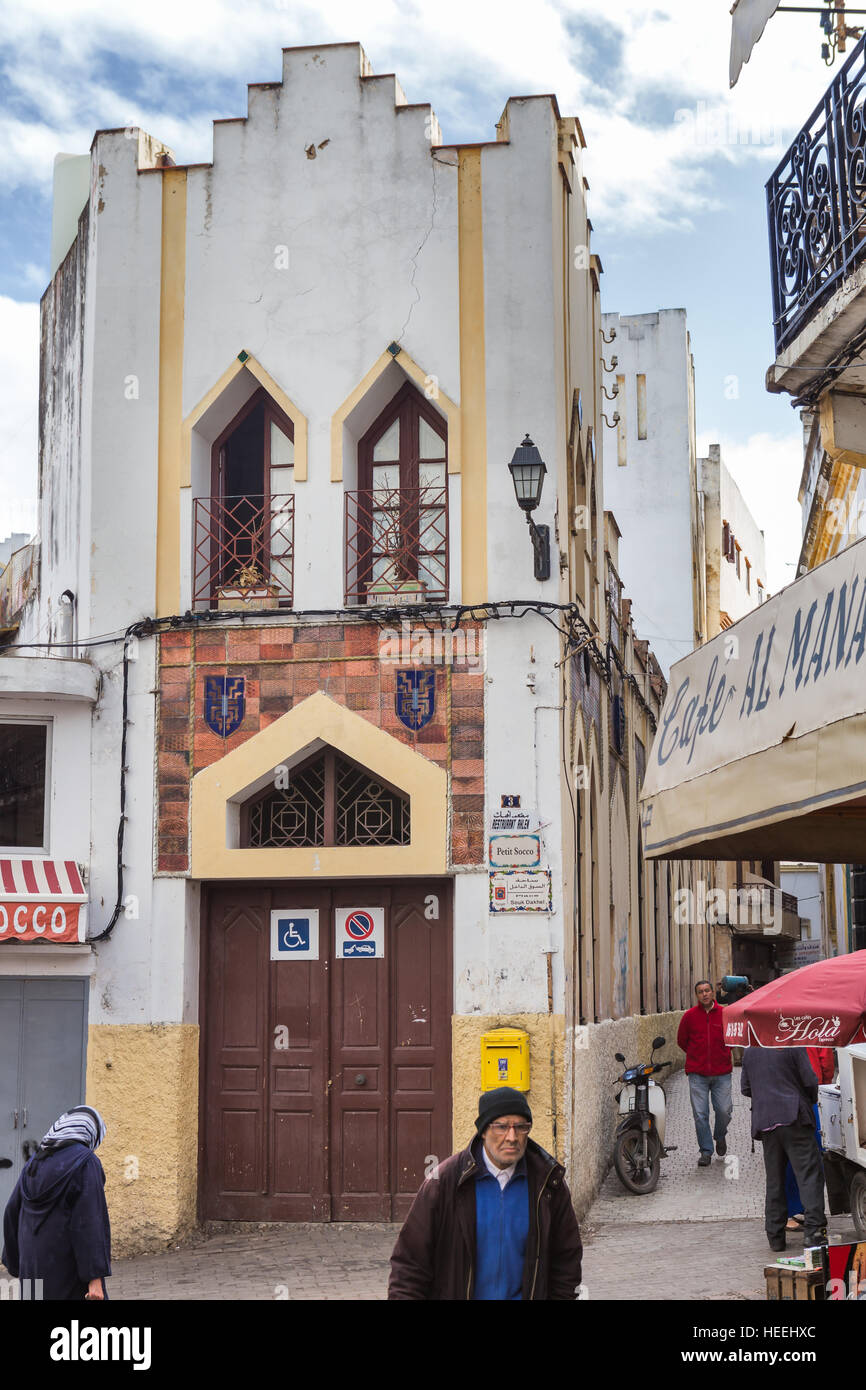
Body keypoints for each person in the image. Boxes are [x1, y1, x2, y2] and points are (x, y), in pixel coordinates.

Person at [388, 1087, 582, 1300]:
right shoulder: (445, 1182)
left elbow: (566, 1261)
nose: (512, 1137)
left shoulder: (547, 1184)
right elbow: (409, 1264)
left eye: (521, 1127)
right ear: (483, 1130)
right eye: (501, 1127)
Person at [2, 1105, 111, 1300]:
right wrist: (95, 1278)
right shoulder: (85, 1162)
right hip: (67, 1270)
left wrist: (15, 1262)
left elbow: (12, 1211)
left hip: (31, 1270)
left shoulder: (34, 1161)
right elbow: (89, 1222)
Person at [740, 1046, 827, 1251]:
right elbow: (810, 1081)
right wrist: (808, 1100)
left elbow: (745, 1088)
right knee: (808, 1175)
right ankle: (814, 1232)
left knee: (775, 1179)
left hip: (766, 1121)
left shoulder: (750, 1051)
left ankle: (775, 1236)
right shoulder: (792, 1046)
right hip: (794, 1117)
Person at [677, 979, 733, 1166]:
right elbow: (682, 1041)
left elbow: (731, 1039)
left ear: (712, 993)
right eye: (700, 992)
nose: (705, 994)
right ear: (697, 995)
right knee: (700, 1114)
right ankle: (706, 1151)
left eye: (707, 990)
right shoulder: (689, 1016)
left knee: (724, 1111)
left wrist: (723, 1054)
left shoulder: (725, 1014)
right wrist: (696, 1056)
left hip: (722, 1072)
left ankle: (720, 1135)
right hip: (697, 1074)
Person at [784, 1047, 835, 1231]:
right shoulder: (815, 1022)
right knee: (814, 1157)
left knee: (787, 1158)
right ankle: (812, 1209)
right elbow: (826, 1061)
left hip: (785, 1095)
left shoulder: (776, 1026)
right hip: (812, 1094)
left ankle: (792, 1210)